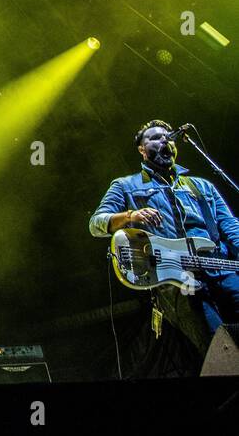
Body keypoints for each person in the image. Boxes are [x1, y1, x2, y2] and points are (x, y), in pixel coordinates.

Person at [90, 119, 239, 361]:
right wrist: (130, 215)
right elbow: (96, 223)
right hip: (178, 280)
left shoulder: (201, 186)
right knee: (220, 349)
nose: (164, 141)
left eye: (168, 137)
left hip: (221, 269)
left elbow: (230, 226)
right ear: (141, 148)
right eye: (155, 138)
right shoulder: (126, 186)